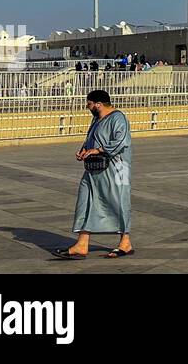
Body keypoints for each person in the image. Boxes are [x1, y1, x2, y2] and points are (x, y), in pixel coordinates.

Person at [55, 89, 133, 259]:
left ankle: (125, 241)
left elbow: (121, 141)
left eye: (89, 104)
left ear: (98, 104)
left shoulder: (118, 118)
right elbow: (90, 138)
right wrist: (84, 150)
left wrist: (97, 150)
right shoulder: (96, 119)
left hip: (117, 168)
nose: (87, 107)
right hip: (94, 168)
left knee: (118, 201)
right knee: (85, 200)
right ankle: (82, 243)